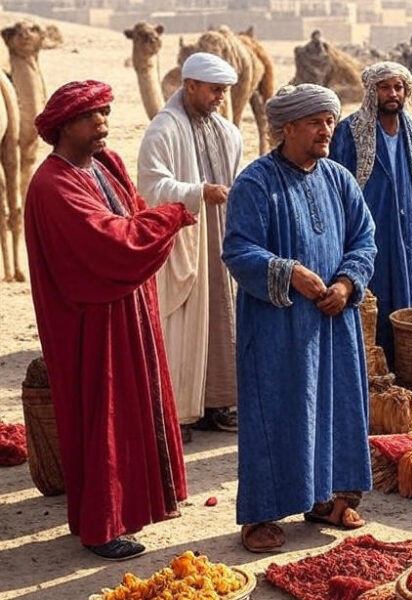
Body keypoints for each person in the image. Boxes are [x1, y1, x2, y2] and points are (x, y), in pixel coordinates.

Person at [24, 80, 194, 560]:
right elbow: (114, 242)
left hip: (127, 309)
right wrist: (173, 214)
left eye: (105, 112)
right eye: (93, 117)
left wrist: (155, 219)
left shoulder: (105, 164)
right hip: (90, 322)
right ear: (65, 126)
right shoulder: (53, 184)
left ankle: (130, 510)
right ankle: (100, 527)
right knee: (104, 415)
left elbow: (131, 218)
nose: (104, 124)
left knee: (133, 409)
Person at [222, 84, 377, 553]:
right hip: (278, 328)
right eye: (315, 122)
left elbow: (364, 239)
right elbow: (238, 250)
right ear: (287, 128)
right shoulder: (254, 183)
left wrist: (347, 283)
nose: (326, 130)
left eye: (330, 121)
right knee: (279, 410)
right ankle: (261, 515)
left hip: (333, 320)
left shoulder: (338, 179)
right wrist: (290, 273)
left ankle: (326, 500)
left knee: (335, 406)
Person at [137, 52, 243, 441]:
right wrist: (198, 193)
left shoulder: (229, 132)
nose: (220, 98)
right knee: (181, 327)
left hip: (222, 236)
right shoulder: (163, 130)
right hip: (184, 240)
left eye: (224, 91)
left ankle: (218, 404)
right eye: (215, 90)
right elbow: (150, 187)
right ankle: (176, 413)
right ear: (191, 86)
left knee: (222, 321)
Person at [331, 62, 412, 368]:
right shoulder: (349, 132)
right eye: (385, 88)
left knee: (410, 306)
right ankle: (373, 372)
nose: (392, 94)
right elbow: (336, 191)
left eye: (398, 88)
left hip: (411, 237)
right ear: (371, 92)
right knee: (372, 303)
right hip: (370, 237)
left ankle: (408, 370)